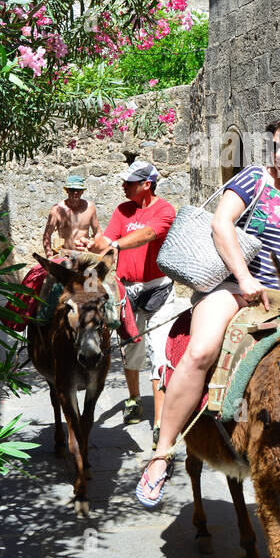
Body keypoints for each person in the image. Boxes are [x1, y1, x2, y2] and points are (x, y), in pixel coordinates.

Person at [135, 112, 280, 507]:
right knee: (202, 350)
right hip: (235, 288)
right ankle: (162, 454)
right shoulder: (255, 180)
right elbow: (221, 225)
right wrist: (244, 279)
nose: (277, 154)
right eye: (274, 145)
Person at [88, 160, 179, 428]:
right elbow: (106, 241)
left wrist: (115, 244)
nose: (123, 186)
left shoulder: (164, 210)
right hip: (127, 290)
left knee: (159, 353)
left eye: (129, 183)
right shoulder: (122, 210)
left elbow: (148, 234)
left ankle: (160, 422)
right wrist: (92, 246)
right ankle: (134, 399)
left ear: (146, 184)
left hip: (157, 290)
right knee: (131, 350)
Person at [42, 176, 103, 257]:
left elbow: (98, 233)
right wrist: (49, 256)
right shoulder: (57, 210)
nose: (75, 193)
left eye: (78, 190)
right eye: (72, 190)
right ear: (67, 190)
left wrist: (93, 246)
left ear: (82, 191)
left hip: (84, 255)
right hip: (65, 255)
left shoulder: (90, 207)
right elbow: (47, 234)